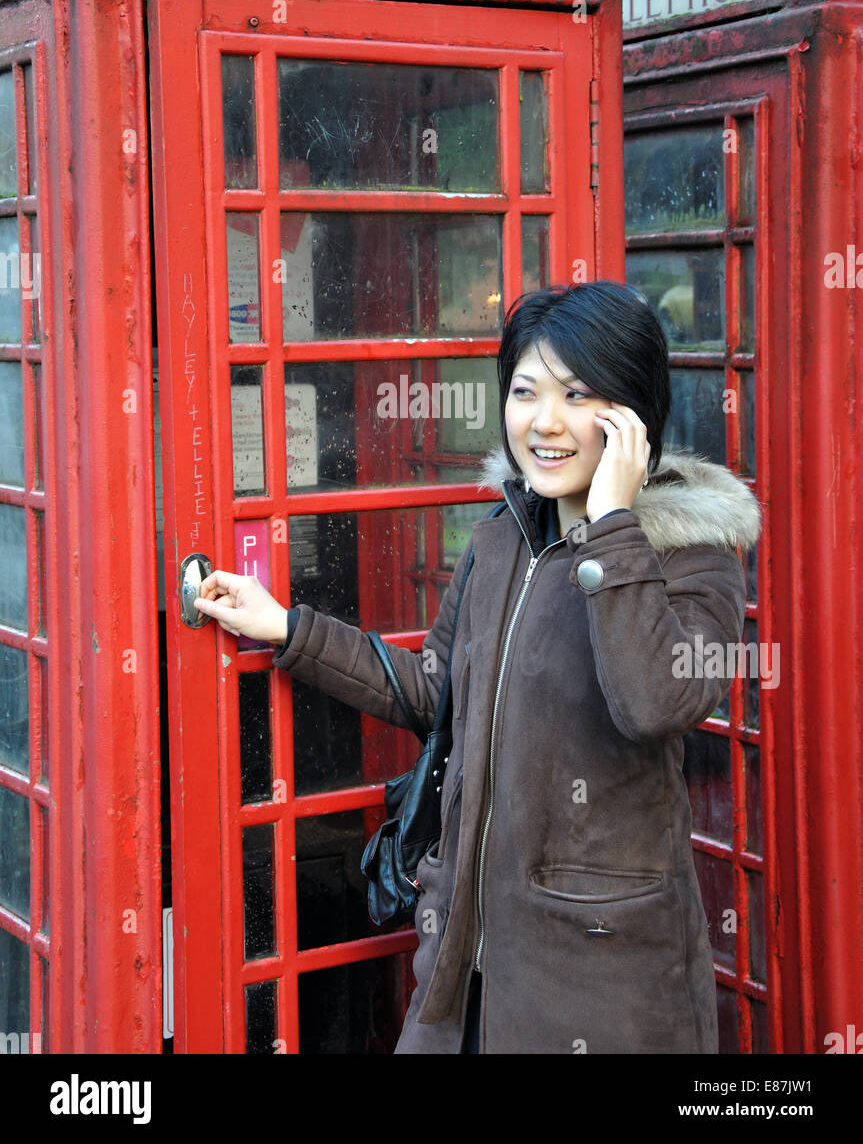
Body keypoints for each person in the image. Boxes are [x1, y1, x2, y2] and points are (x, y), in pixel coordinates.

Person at [193, 280, 762, 1054]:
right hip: (462, 968)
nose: (545, 422)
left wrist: (614, 527)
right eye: (525, 391)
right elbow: (438, 692)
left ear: (632, 417)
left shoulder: (693, 561)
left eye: (577, 394)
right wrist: (288, 627)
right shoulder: (500, 539)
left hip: (600, 984)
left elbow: (655, 702)